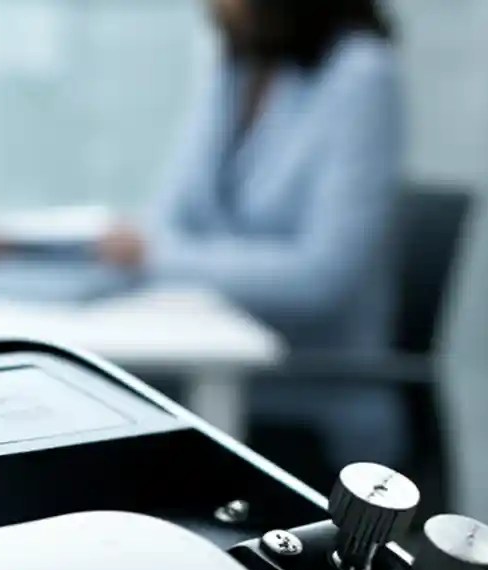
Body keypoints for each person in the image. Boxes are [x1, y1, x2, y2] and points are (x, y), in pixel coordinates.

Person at [99, 0, 406, 468]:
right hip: (212, 359)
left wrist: (156, 256)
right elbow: (174, 213)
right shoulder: (241, 66)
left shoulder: (362, 75)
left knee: (108, 415)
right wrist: (143, 249)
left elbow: (320, 276)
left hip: (306, 385)